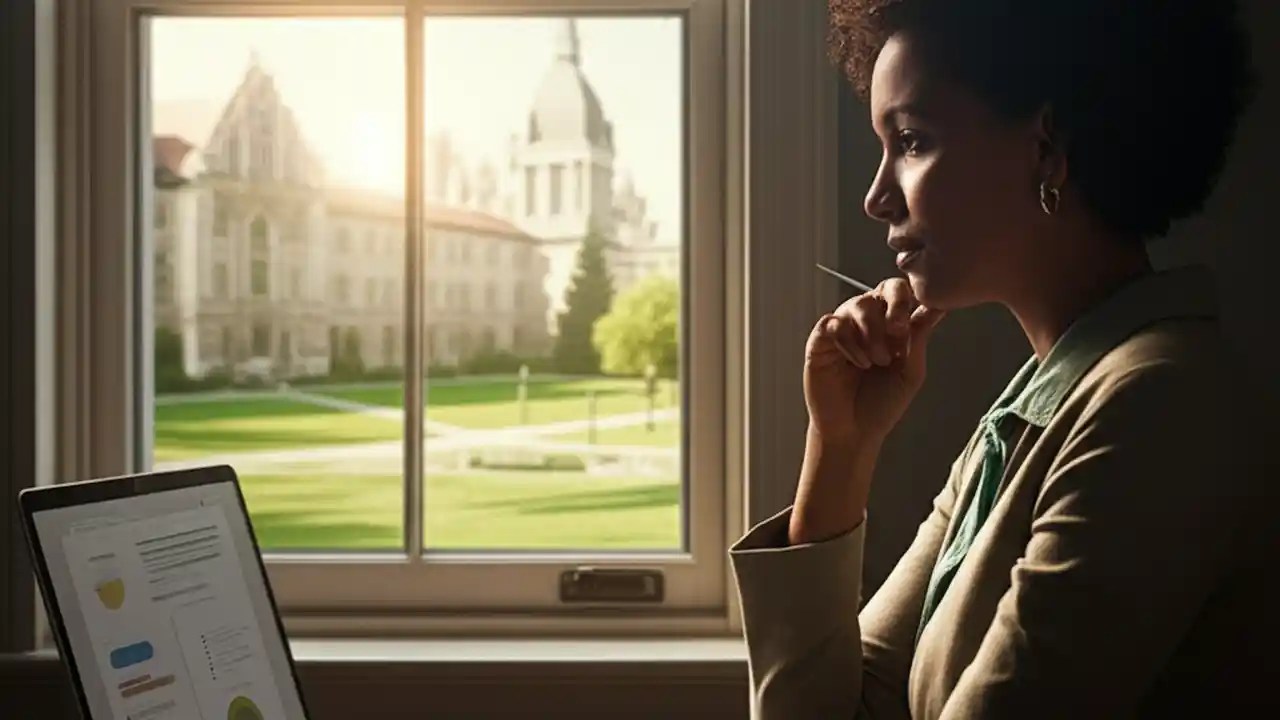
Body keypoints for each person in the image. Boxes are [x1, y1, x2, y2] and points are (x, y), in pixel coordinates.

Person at [730, 1, 1275, 717]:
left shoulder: (1158, 407)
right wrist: (841, 447)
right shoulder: (1031, 414)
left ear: (1047, 149)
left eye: (913, 141)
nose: (876, 197)